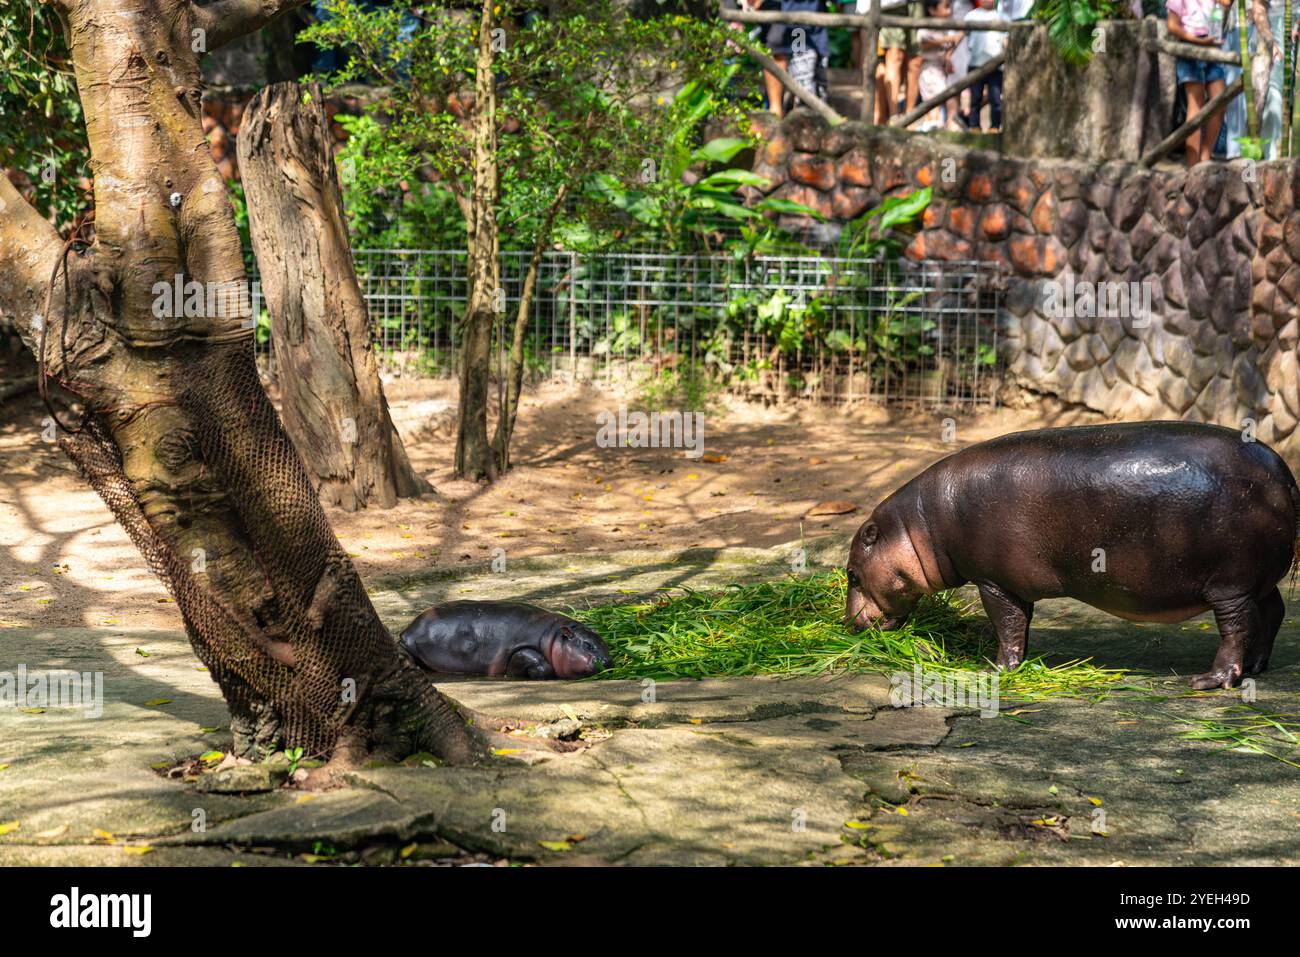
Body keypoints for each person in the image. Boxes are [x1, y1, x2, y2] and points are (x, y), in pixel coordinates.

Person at [1166, 0, 1235, 166]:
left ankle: (1204, 160)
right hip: (1190, 47)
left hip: (1211, 44)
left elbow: (1225, 3)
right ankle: (1192, 165)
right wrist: (1197, 41)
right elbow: (1172, 26)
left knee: (1220, 103)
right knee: (1195, 106)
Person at [756, 0, 831, 117]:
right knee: (803, 82)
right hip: (799, 29)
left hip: (815, 31)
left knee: (816, 85)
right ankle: (800, 119)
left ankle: (809, 119)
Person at [914, 0, 963, 130]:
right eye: (946, 7)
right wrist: (948, 40)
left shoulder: (946, 27)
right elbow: (923, 42)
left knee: (945, 98)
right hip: (929, 71)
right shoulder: (926, 27)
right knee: (939, 100)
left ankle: (949, 124)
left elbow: (951, 44)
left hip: (940, 70)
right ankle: (943, 125)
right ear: (932, 10)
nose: (949, 11)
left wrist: (947, 59)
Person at [963, 0, 1007, 131]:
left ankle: (995, 127)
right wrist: (949, 55)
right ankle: (974, 126)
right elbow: (961, 35)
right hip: (975, 63)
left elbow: (1007, 40)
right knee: (975, 99)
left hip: (996, 65)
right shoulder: (970, 16)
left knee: (996, 99)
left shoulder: (1003, 17)